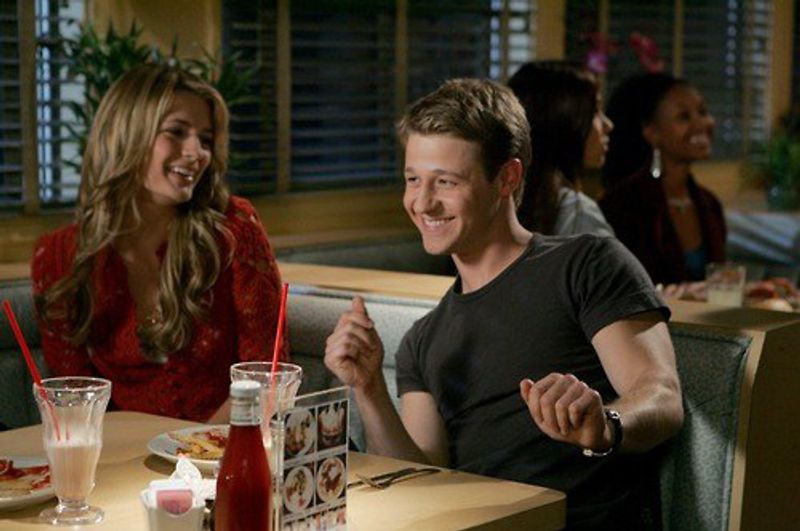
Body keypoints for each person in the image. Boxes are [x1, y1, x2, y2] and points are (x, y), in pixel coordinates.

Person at [325, 79, 683, 529]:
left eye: (446, 182)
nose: (423, 202)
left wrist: (605, 426)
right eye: (413, 179)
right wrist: (370, 389)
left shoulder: (587, 264)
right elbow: (420, 479)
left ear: (507, 178)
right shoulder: (423, 339)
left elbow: (663, 397)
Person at [32, 65, 287, 423]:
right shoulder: (60, 256)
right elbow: (72, 404)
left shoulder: (233, 229)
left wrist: (196, 448)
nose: (197, 153)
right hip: (119, 453)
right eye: (177, 132)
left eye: (206, 140)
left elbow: (269, 377)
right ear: (127, 135)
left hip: (228, 446)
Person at [600, 72, 726, 286]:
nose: (702, 124)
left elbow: (717, 284)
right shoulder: (622, 207)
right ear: (652, 132)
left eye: (702, 112)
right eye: (684, 117)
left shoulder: (709, 203)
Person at [508, 61, 615, 236]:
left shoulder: (498, 204)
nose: (608, 125)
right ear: (563, 121)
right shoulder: (578, 216)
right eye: (595, 111)